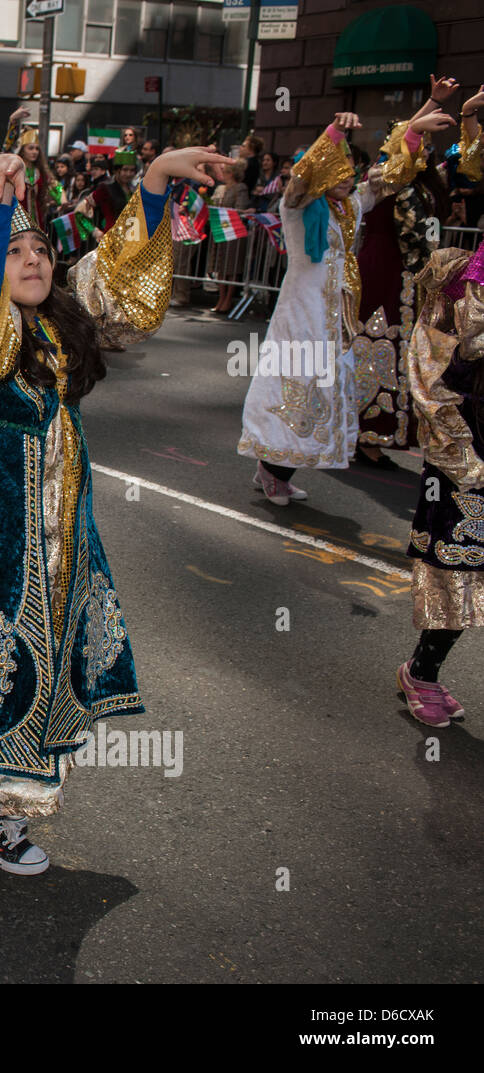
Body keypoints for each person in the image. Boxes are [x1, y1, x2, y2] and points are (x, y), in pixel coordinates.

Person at [0, 143, 230, 873]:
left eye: (42, 250)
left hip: (57, 521)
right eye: (15, 252)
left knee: (43, 659)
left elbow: (118, 279)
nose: (33, 261)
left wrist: (153, 182)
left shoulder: (57, 316)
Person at [238, 108, 455, 505]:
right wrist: (334, 133)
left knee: (322, 393)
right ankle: (273, 471)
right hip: (301, 314)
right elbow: (300, 179)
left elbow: (386, 179)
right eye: (339, 170)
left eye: (351, 172)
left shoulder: (348, 209)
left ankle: (274, 470)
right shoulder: (299, 207)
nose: (348, 178)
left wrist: (412, 132)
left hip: (335, 317)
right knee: (295, 389)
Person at [355, 80, 479, 468]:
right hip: (382, 274)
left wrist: (464, 112)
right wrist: (425, 113)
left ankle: (390, 432)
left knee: (410, 354)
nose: (422, 147)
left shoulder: (430, 181)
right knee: (379, 348)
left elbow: (469, 158)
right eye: (416, 140)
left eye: (425, 142)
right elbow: (400, 153)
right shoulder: (383, 178)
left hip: (415, 280)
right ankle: (364, 434)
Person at [396, 237, 484, 727]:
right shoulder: (460, 282)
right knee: (460, 563)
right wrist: (460, 449)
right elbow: (435, 371)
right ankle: (422, 673)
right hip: (469, 443)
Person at [208, 158, 250, 315]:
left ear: (231, 173)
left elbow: (240, 208)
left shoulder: (240, 188)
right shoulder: (223, 188)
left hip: (234, 230)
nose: (223, 173)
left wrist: (225, 213)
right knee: (221, 265)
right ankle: (221, 297)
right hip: (222, 229)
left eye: (225, 170)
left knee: (231, 267)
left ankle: (228, 299)